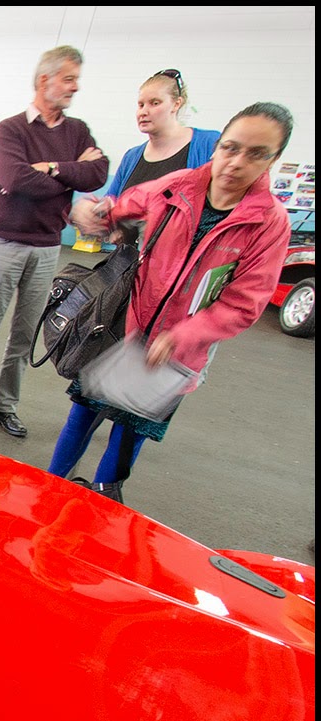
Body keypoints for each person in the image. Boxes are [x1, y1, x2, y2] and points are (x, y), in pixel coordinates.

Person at [49, 103, 293, 498]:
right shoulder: (175, 186)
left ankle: (100, 501)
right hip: (121, 330)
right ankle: (50, 487)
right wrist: (93, 210)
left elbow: (244, 303)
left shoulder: (269, 224)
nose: (236, 162)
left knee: (128, 436)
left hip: (179, 355)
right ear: (216, 147)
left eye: (256, 153)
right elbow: (119, 207)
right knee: (82, 416)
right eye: (230, 148)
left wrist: (181, 337)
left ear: (274, 159)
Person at [0, 46, 108, 439]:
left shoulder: (77, 131)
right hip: (5, 243)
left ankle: (6, 406)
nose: (75, 87)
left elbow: (97, 172)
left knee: (25, 334)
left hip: (47, 246)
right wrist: (71, 175)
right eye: (69, 79)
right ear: (44, 81)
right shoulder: (11, 129)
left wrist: (53, 168)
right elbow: (14, 179)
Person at [106, 70, 220, 199]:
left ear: (176, 104)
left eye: (155, 103)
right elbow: (110, 202)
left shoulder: (209, 143)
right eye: (141, 105)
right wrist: (93, 208)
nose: (143, 112)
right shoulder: (131, 157)